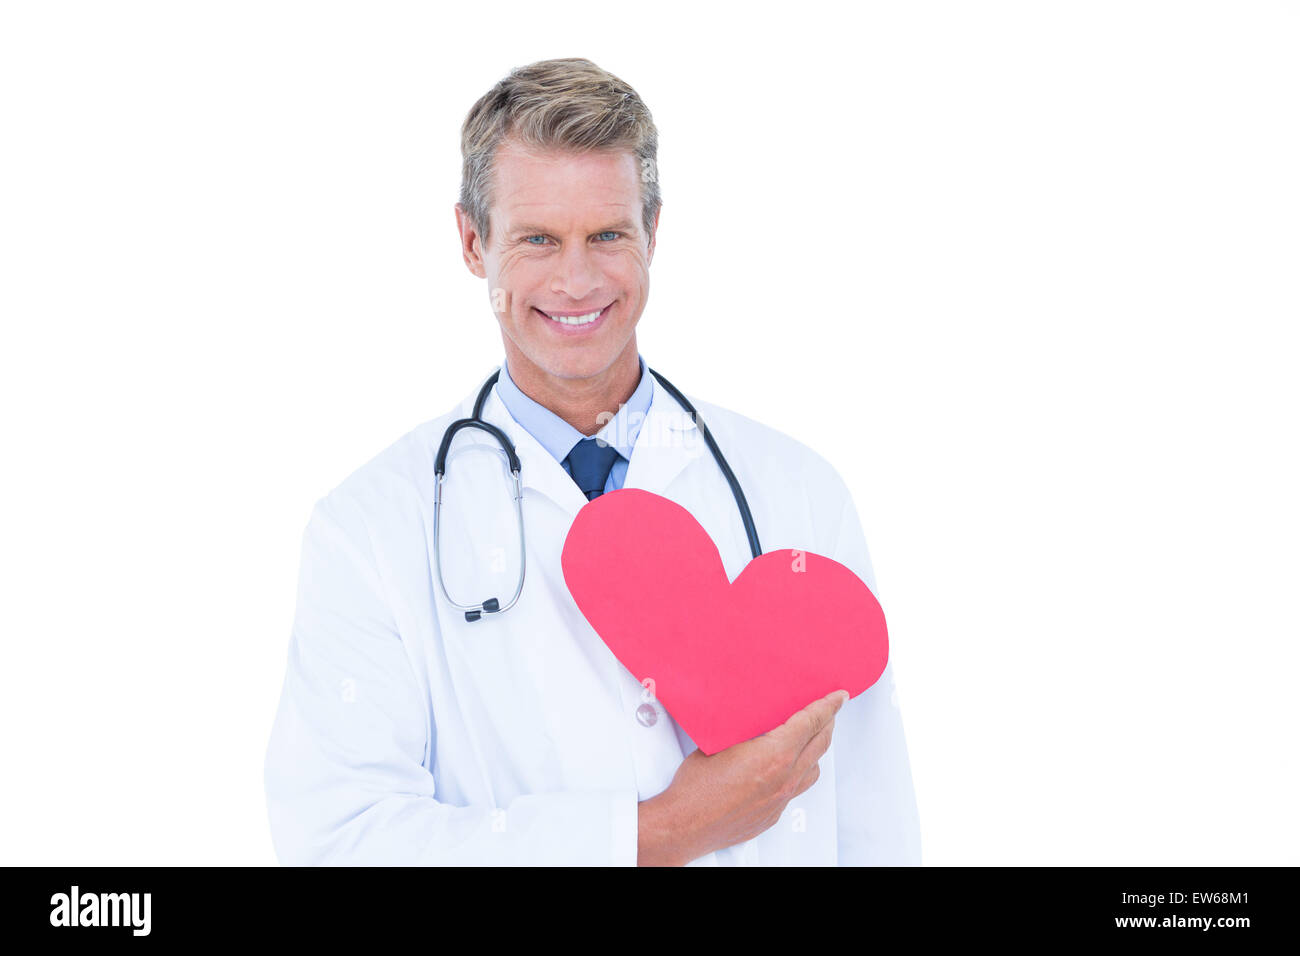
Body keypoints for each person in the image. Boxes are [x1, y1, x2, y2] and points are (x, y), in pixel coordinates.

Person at [264, 57, 921, 866]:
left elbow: (873, 821)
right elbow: (339, 841)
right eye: (538, 239)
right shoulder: (368, 530)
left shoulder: (797, 493)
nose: (576, 281)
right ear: (474, 242)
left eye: (607, 235)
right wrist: (655, 836)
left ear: (654, 232)